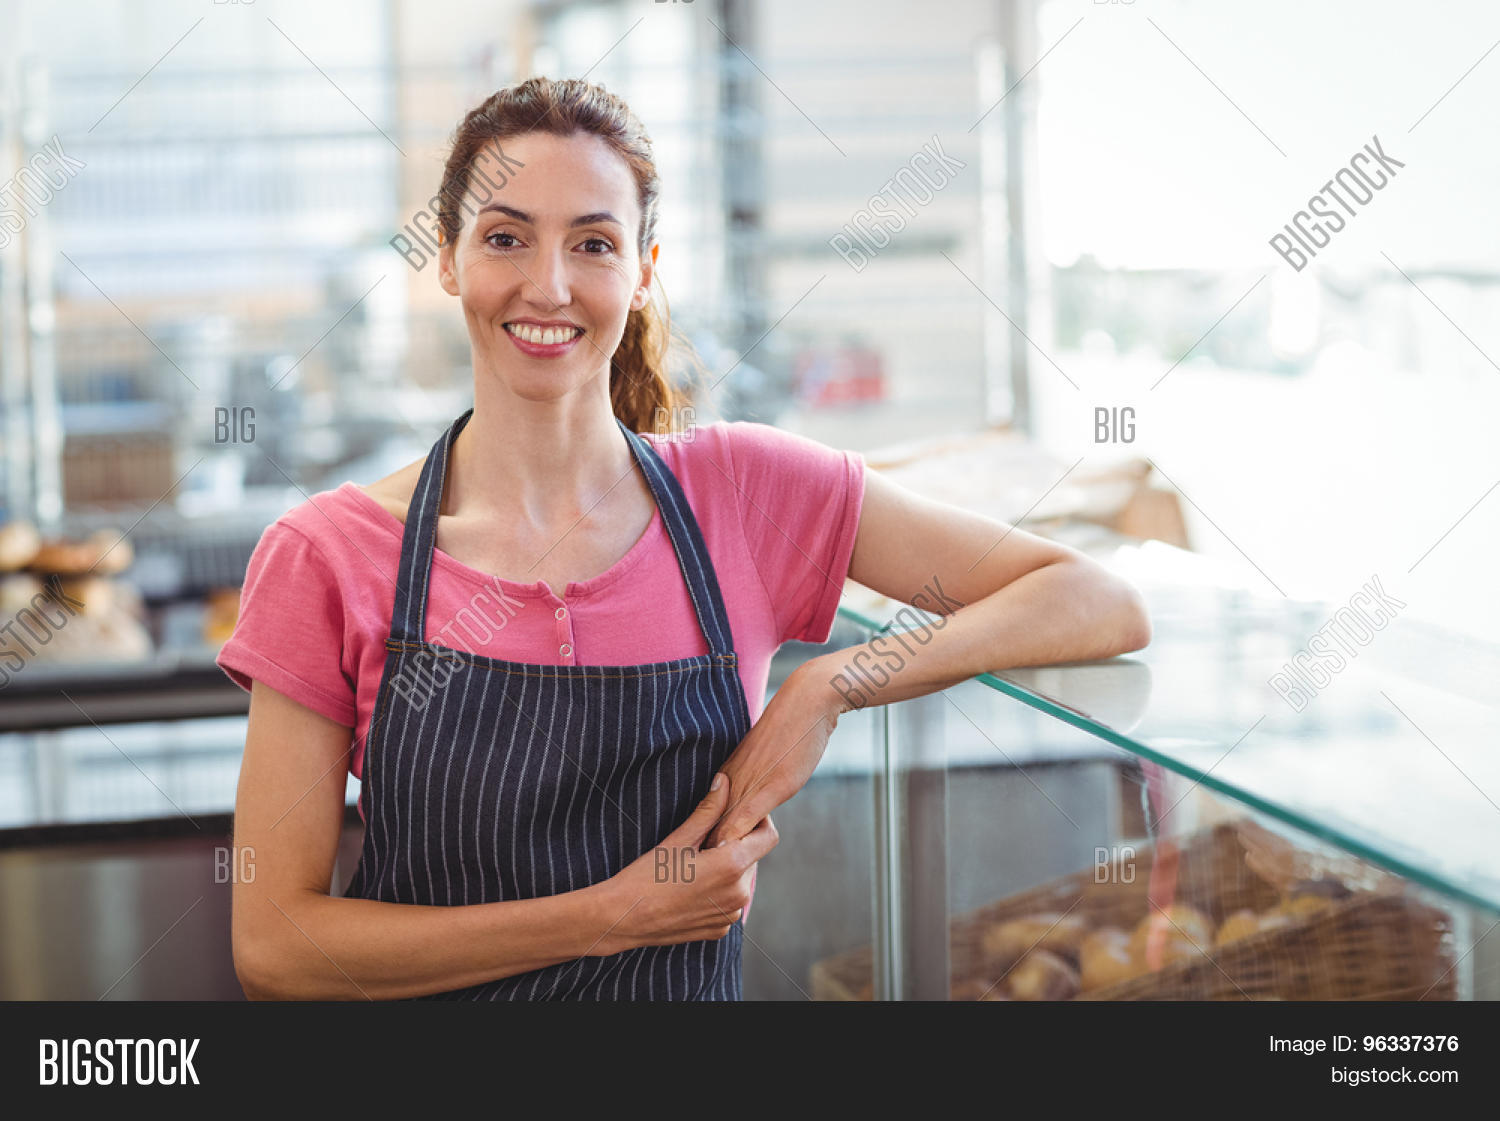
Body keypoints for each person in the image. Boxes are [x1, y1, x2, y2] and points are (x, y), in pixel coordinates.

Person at [218, 76, 1151, 1001]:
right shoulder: (328, 555)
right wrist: (607, 917)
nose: (549, 284)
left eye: (594, 243)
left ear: (644, 268)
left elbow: (1094, 599)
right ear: (451, 261)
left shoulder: (743, 493)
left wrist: (830, 684)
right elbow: (275, 946)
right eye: (507, 237)